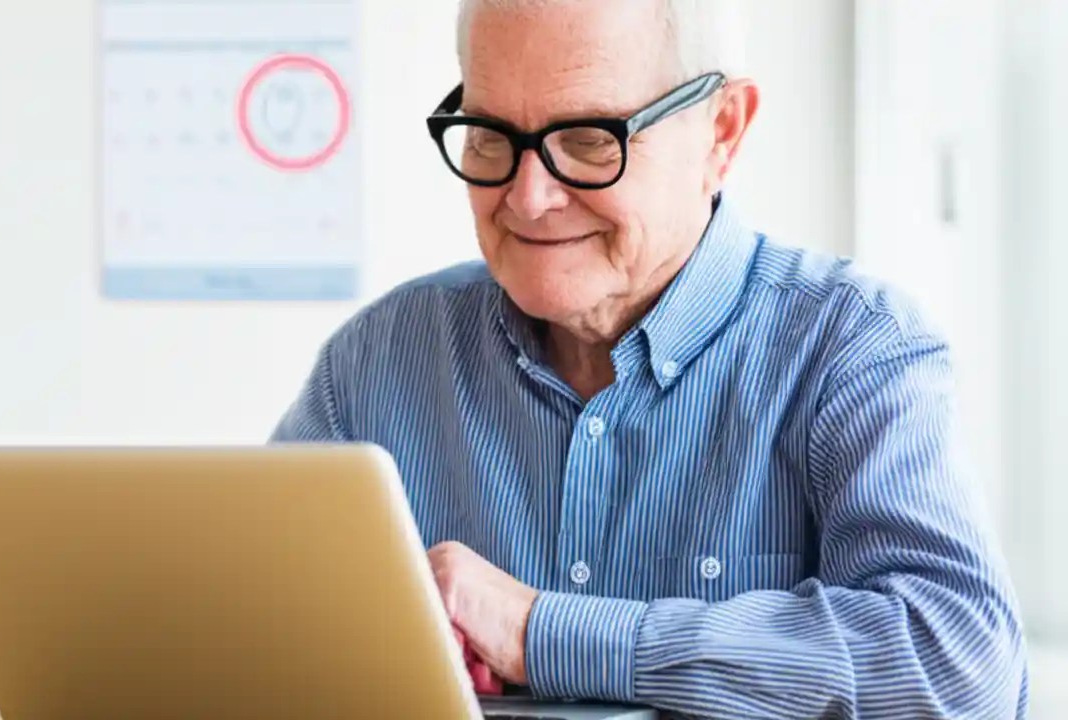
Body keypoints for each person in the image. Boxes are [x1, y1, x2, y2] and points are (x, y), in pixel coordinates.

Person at [272, 0, 1028, 717]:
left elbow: (958, 669)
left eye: (592, 139)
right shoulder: (378, 363)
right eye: (492, 136)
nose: (529, 197)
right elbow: (248, 635)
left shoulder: (850, 348)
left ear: (722, 132)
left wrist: (546, 635)